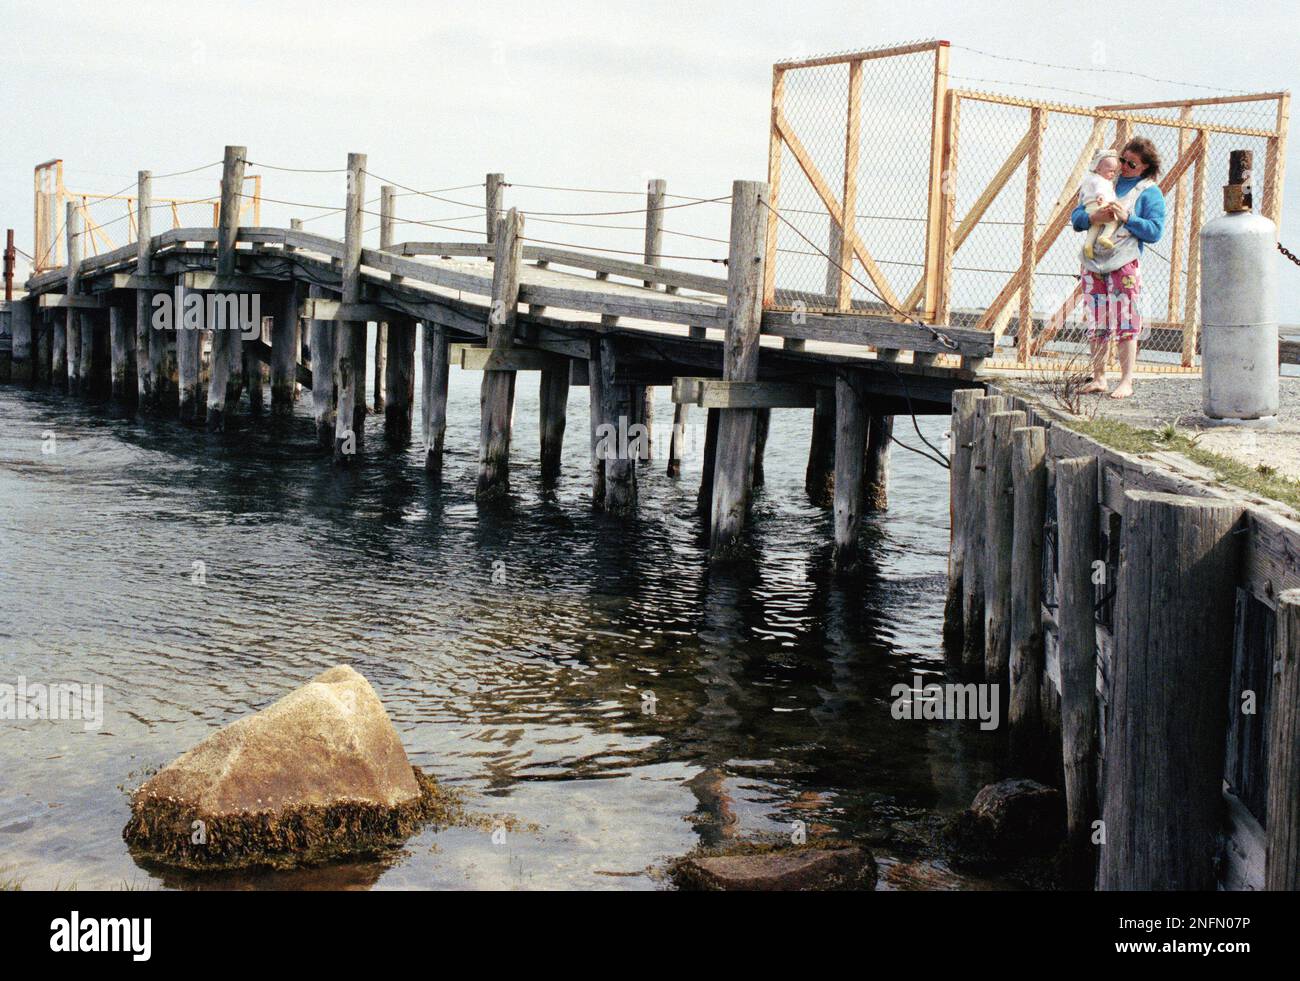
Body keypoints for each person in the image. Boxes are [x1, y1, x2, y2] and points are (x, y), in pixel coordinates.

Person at [1072, 137, 1166, 399]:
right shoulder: (1104, 181)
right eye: (1122, 160)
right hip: (1093, 262)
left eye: (1131, 164)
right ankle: (1099, 377)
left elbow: (1155, 231)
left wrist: (1128, 218)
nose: (1124, 166)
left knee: (1126, 321)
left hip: (1123, 263)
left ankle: (1126, 380)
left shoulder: (1149, 192)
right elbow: (1077, 216)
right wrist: (1092, 217)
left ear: (1145, 168)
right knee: (1097, 321)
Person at [1080, 151, 1122, 260]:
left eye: (1114, 171)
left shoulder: (1088, 180)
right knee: (1112, 223)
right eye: (1110, 171)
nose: (1113, 174)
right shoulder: (1101, 180)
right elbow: (1100, 189)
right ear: (1098, 169)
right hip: (1100, 204)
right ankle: (1104, 237)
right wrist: (1100, 196)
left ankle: (1088, 245)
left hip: (1089, 208)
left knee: (1094, 226)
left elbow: (1081, 197)